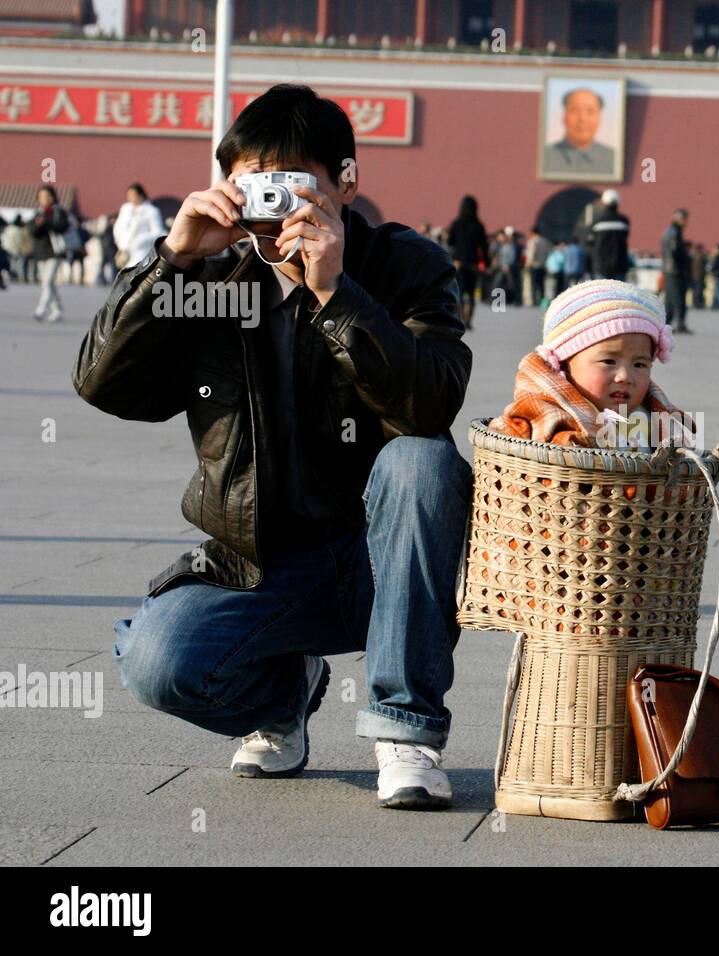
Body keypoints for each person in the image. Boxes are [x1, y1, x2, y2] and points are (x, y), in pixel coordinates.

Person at [73, 83, 473, 811]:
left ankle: (406, 730)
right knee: (157, 663)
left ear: (347, 183)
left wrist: (336, 293)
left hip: (384, 558)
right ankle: (281, 695)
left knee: (422, 459)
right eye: (253, 183)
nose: (274, 207)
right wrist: (170, 264)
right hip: (260, 561)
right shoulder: (212, 278)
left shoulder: (403, 267)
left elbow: (431, 402)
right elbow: (106, 386)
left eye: (293, 185)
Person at [489, 279, 687, 449]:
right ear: (565, 363)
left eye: (640, 365)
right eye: (609, 361)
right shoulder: (545, 416)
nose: (625, 376)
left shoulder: (659, 425)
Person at [541, 87, 617, 178]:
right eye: (575, 110)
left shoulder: (612, 159)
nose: (583, 119)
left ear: (599, 118)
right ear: (564, 116)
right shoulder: (547, 156)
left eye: (590, 111)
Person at [447, 193, 488, 330]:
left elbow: (450, 242)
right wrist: (486, 262)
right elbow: (484, 246)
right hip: (472, 263)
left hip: (458, 262)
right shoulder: (479, 226)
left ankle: (458, 318)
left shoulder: (456, 224)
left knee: (457, 292)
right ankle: (468, 319)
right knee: (470, 293)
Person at [29, 185, 70, 322]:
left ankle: (41, 309)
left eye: (47, 196)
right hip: (41, 252)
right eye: (41, 197)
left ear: (53, 197)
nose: (44, 199)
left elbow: (63, 227)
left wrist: (47, 222)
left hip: (55, 252)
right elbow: (33, 232)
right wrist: (38, 225)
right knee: (48, 284)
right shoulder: (38, 213)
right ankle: (57, 310)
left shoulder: (58, 212)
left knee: (47, 282)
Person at [112, 182, 166, 270]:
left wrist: (141, 239)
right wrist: (120, 242)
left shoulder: (151, 211)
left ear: (140, 195)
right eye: (129, 195)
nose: (131, 198)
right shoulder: (125, 208)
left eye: (133, 195)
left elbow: (158, 232)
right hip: (124, 251)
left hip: (141, 252)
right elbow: (118, 226)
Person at [660, 208, 693, 334]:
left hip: (669, 270)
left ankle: (667, 323)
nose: (686, 222)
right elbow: (675, 252)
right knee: (678, 299)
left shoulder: (670, 231)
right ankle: (680, 323)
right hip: (675, 270)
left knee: (670, 299)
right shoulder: (674, 232)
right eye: (685, 219)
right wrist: (684, 262)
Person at [587, 189, 629, 281]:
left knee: (601, 293)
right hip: (619, 266)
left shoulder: (597, 222)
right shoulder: (624, 222)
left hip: (600, 266)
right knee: (619, 294)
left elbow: (590, 243)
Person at [525, 228, 552, 307]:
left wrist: (528, 264)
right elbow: (548, 253)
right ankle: (542, 301)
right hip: (543, 266)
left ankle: (534, 301)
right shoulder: (545, 241)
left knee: (533, 284)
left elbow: (531, 254)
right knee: (541, 285)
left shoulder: (533, 241)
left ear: (533, 233)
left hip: (534, 265)